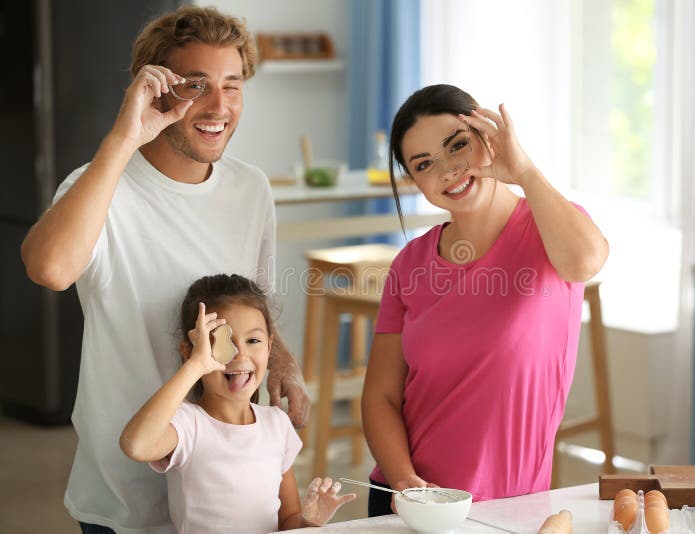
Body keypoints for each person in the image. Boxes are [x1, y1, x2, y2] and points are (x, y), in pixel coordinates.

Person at [19, 6, 309, 533]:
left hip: (230, 495)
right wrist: (124, 137)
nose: (219, 106)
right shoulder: (101, 186)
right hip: (127, 494)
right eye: (197, 85)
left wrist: (282, 360)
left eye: (233, 85)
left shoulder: (251, 188)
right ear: (153, 90)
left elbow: (254, 299)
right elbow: (50, 269)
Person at [361, 84, 609, 516]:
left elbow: (586, 262)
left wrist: (524, 170)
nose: (449, 171)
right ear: (416, 181)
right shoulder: (410, 265)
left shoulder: (548, 228)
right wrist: (404, 483)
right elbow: (381, 396)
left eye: (458, 146)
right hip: (412, 504)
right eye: (424, 165)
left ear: (486, 138)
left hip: (510, 509)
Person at [120, 274, 355, 533]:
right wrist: (196, 366)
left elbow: (288, 521)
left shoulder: (277, 424)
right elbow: (136, 445)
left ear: (270, 347)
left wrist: (311, 520)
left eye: (253, 341)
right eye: (222, 342)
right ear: (190, 352)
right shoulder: (189, 425)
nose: (240, 354)